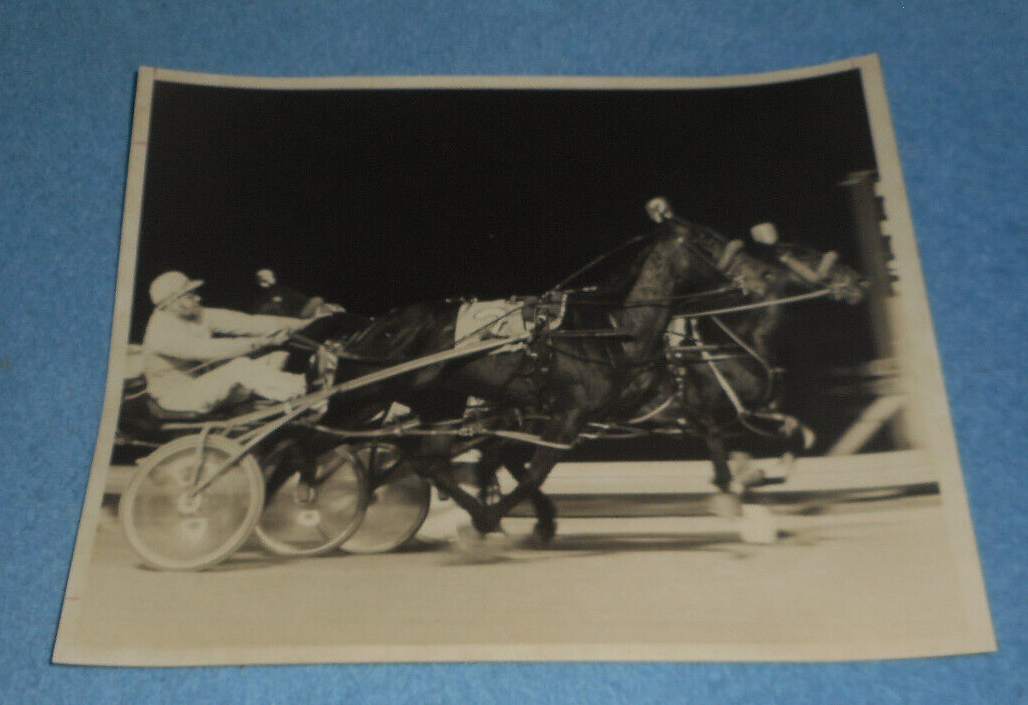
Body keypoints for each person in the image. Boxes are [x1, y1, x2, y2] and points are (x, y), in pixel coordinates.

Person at [142, 271, 310, 414]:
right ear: (173, 302)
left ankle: (292, 395)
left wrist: (302, 324)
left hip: (203, 387)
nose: (198, 298)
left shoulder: (194, 314)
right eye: (190, 295)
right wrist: (266, 341)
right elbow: (212, 350)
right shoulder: (160, 333)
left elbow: (247, 323)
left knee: (278, 357)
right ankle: (307, 395)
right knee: (240, 366)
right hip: (177, 398)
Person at [253, 268, 328, 318]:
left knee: (317, 299)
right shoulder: (261, 294)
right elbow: (260, 310)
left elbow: (302, 300)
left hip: (299, 312)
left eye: (269, 275)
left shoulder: (283, 289)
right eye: (263, 277)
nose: (268, 278)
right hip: (287, 317)